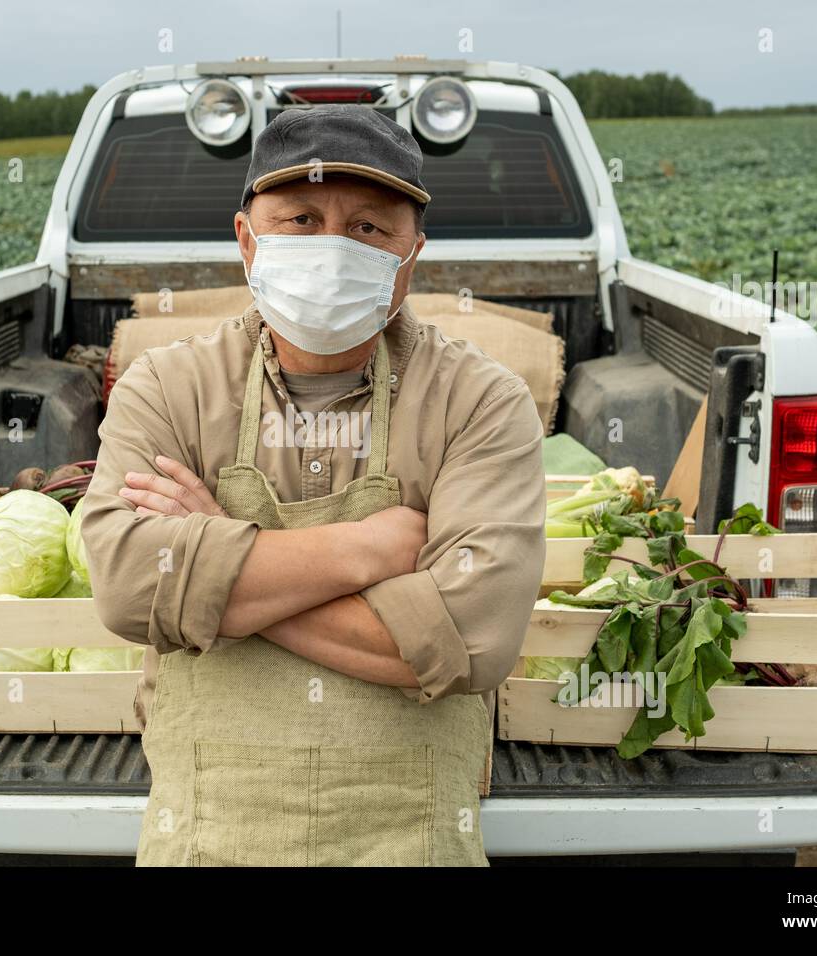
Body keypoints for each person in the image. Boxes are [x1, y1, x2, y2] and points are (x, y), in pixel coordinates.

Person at [78, 103, 546, 866]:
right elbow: (130, 587)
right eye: (300, 217)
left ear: (411, 255)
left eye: (368, 227)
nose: (332, 246)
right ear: (246, 240)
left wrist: (216, 559)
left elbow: (471, 638)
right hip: (206, 840)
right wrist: (366, 550)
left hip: (413, 842)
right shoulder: (167, 387)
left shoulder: (479, 400)